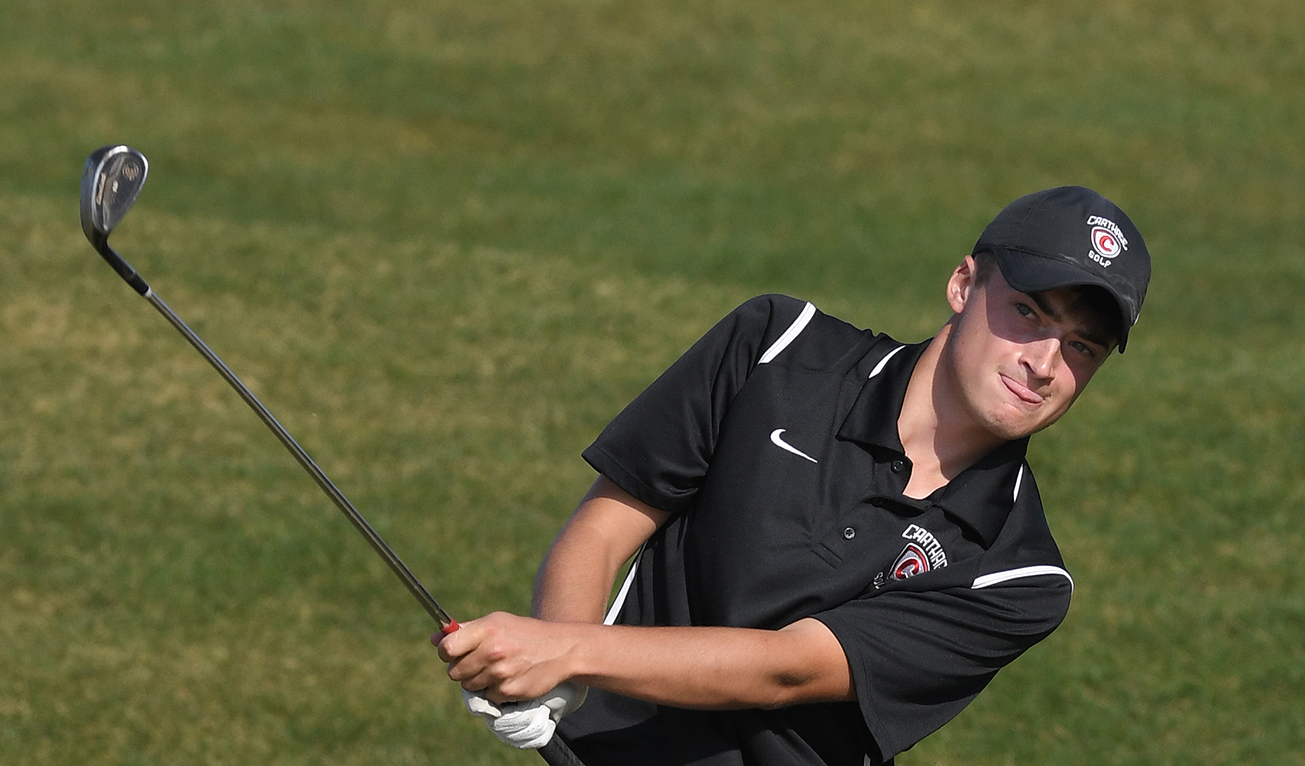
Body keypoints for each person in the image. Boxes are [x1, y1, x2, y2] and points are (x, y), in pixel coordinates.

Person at [434, 186, 1151, 765]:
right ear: (963, 284)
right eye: (1028, 312)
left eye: (1082, 347)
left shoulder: (1018, 577)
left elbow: (788, 667)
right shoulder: (775, 347)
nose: (1045, 363)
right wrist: (557, 677)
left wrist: (570, 652)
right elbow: (605, 524)